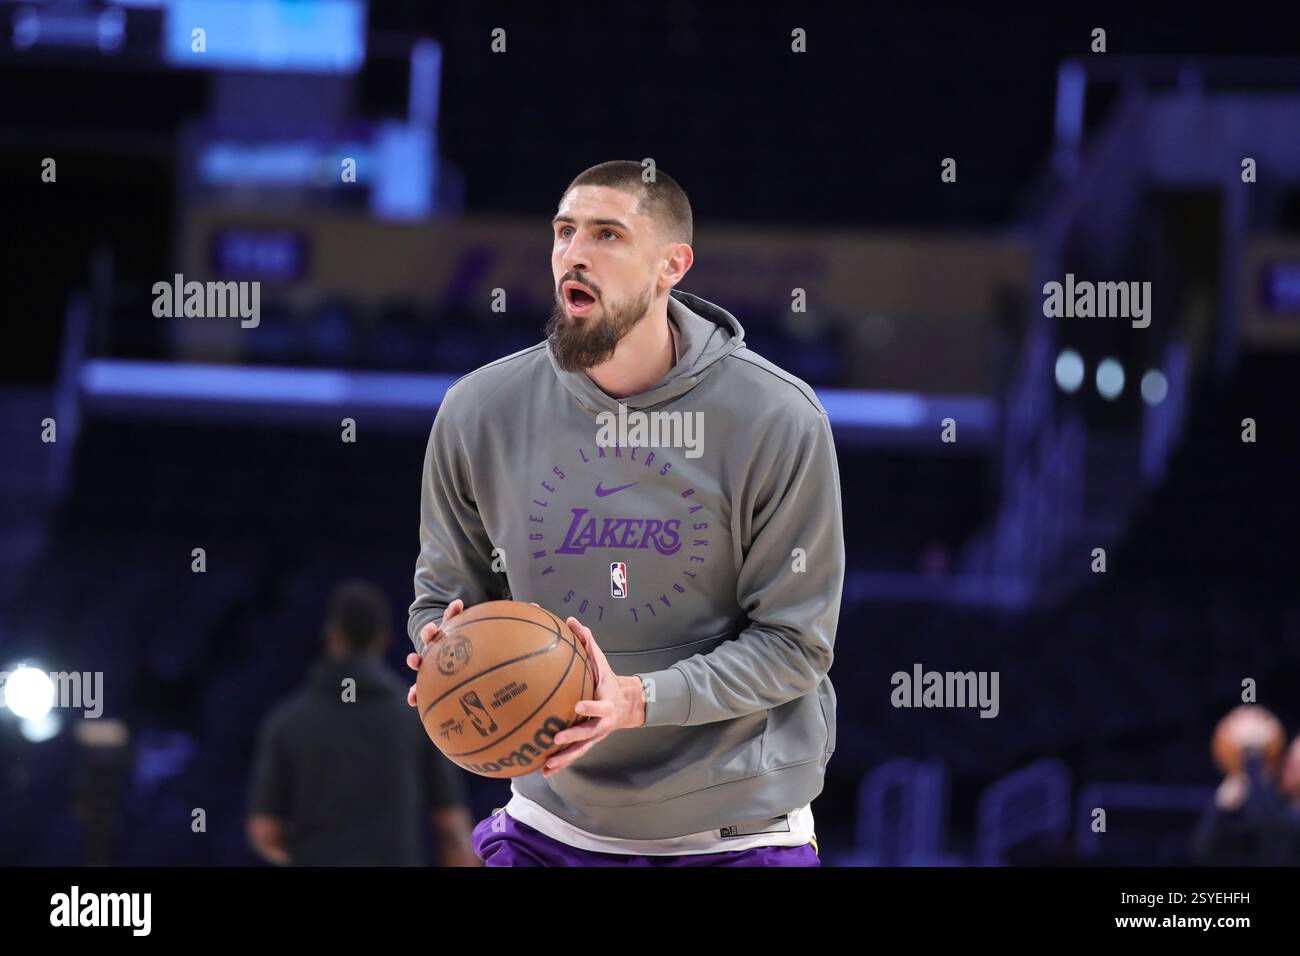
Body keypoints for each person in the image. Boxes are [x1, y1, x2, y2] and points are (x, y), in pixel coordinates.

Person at [406, 161, 845, 866]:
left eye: (607, 234)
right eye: (564, 232)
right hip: (553, 826)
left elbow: (795, 644)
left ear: (673, 265)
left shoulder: (777, 418)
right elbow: (442, 594)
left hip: (738, 832)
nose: (574, 253)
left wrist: (634, 699)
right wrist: (441, 641)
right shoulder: (479, 410)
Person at [248, 579, 478, 866]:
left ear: (332, 636)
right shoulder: (416, 718)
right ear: (383, 638)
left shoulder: (287, 721)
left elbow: (265, 830)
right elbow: (452, 827)